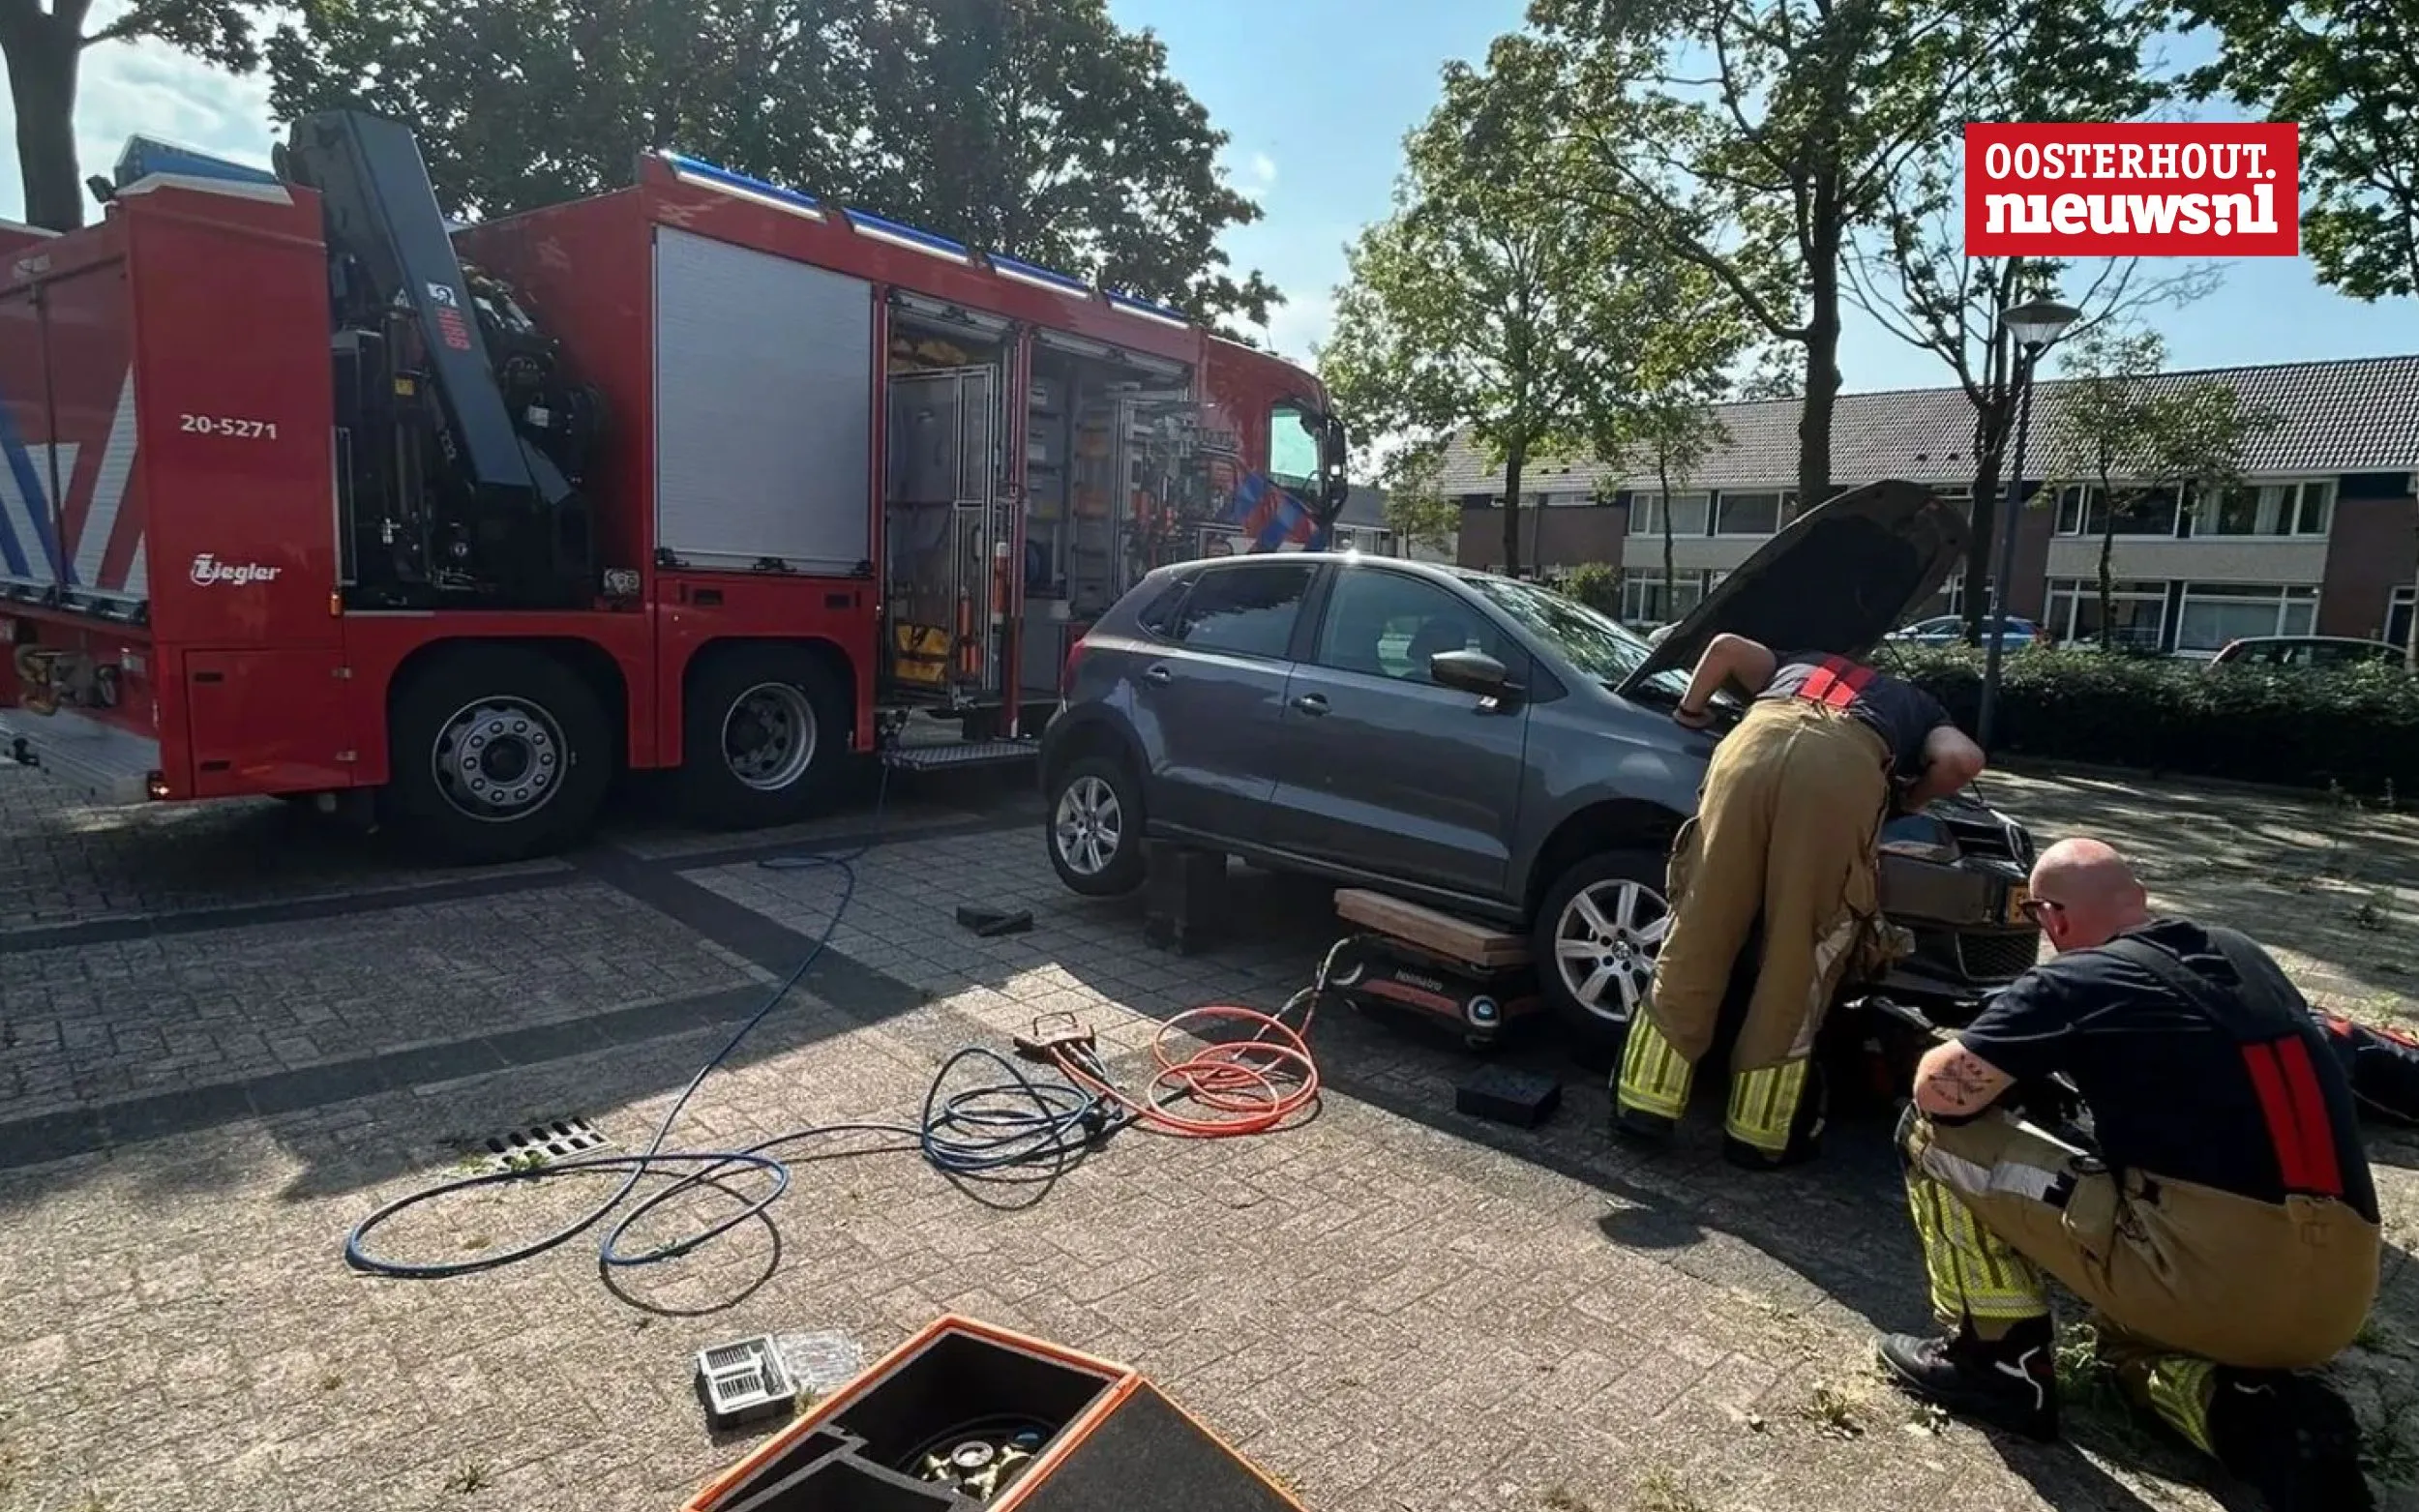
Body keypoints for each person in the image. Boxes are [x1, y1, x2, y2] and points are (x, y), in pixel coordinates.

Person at [1878, 838, 2379, 1512]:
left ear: (2052, 917)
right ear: (2138, 899)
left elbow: (1940, 1092)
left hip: (2212, 1280)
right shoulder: (2244, 954)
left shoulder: (2075, 980)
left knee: (1930, 1133)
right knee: (2126, 1349)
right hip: (2340, 1293)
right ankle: (2267, 1428)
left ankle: (1996, 1365)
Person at [1617, 635, 1985, 1168]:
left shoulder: (1796, 662)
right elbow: (1963, 759)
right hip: (1840, 771)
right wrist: (1910, 798)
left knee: (1700, 925)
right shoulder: (1919, 706)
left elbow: (1723, 648)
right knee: (1798, 952)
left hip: (1751, 748)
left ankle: (1644, 1103)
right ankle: (1756, 1134)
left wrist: (1690, 711)